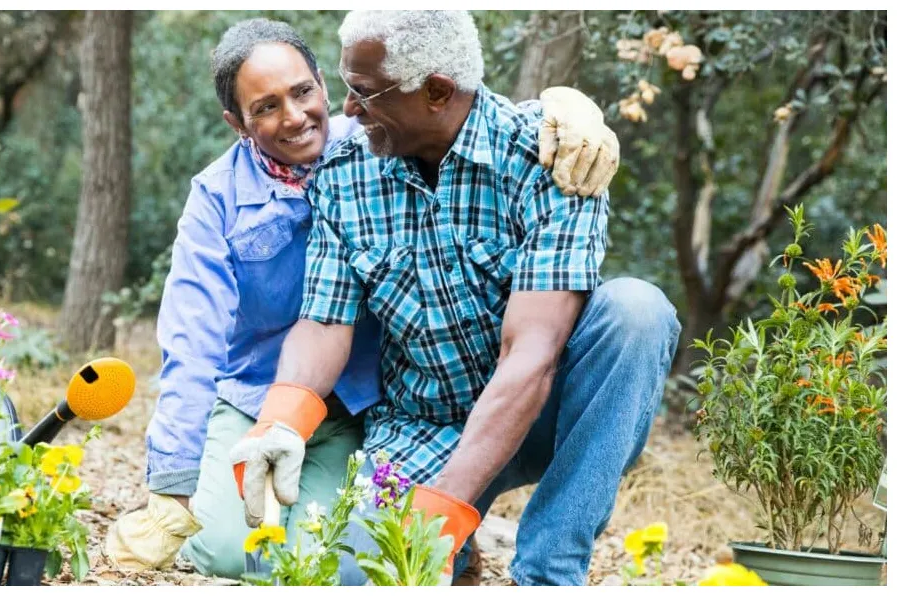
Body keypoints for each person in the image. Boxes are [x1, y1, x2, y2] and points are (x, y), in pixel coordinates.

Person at [105, 16, 621, 581]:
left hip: (444, 401)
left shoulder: (526, 157)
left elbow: (460, 105)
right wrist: (183, 482)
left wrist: (572, 105)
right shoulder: (291, 181)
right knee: (292, 557)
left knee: (635, 314)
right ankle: (443, 539)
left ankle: (544, 573)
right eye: (266, 107)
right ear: (237, 123)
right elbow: (202, 342)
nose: (309, 115)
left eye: (307, 92)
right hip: (311, 402)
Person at [229, 11, 680, 586]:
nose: (346, 111)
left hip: (543, 411)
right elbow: (323, 322)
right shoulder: (344, 174)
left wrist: (439, 516)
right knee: (328, 572)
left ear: (437, 91)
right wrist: (282, 422)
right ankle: (459, 549)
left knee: (636, 311)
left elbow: (531, 356)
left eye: (364, 93)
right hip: (422, 425)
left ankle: (548, 570)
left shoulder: (551, 160)